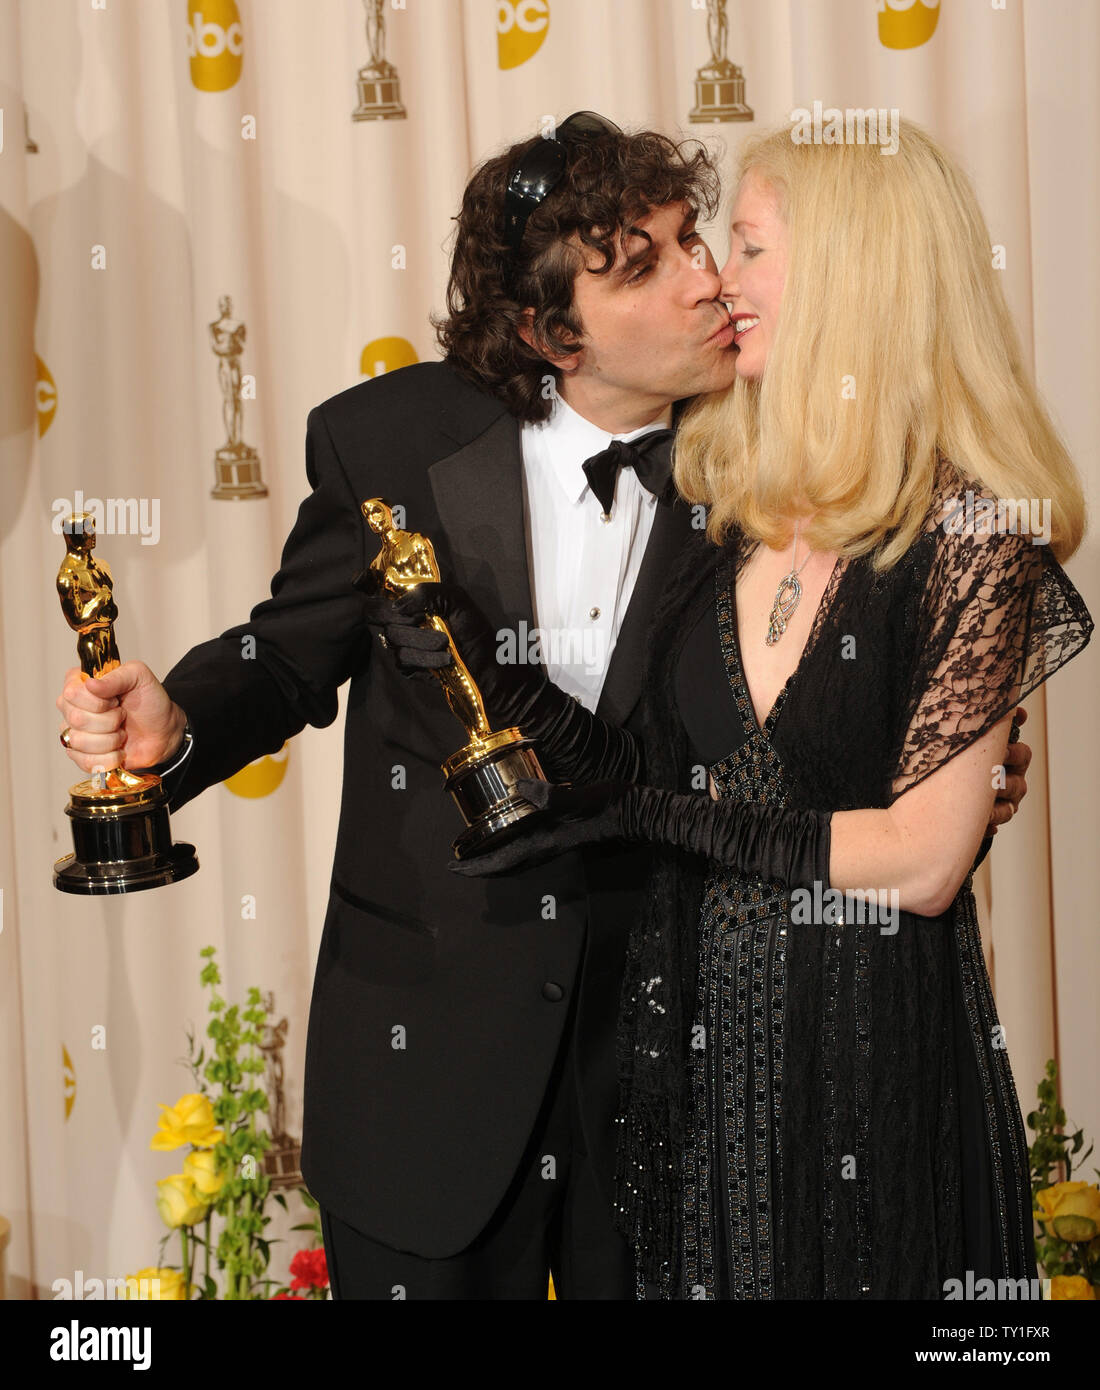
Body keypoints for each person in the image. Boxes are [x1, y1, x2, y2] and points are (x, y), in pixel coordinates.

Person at [54, 115, 1031, 1300]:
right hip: (428, 1065)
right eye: (648, 264)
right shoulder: (394, 441)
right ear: (549, 329)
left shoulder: (772, 461)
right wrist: (177, 727)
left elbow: (832, 690)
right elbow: (284, 657)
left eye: (694, 239)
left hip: (670, 1066)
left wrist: (946, 763)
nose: (706, 279)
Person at [399, 118, 1094, 1300]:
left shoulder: (972, 533)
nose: (719, 279)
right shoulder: (715, 496)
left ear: (849, 272)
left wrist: (656, 812)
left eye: (749, 248)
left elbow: (922, 864)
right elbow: (631, 751)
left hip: (866, 1052)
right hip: (690, 1069)